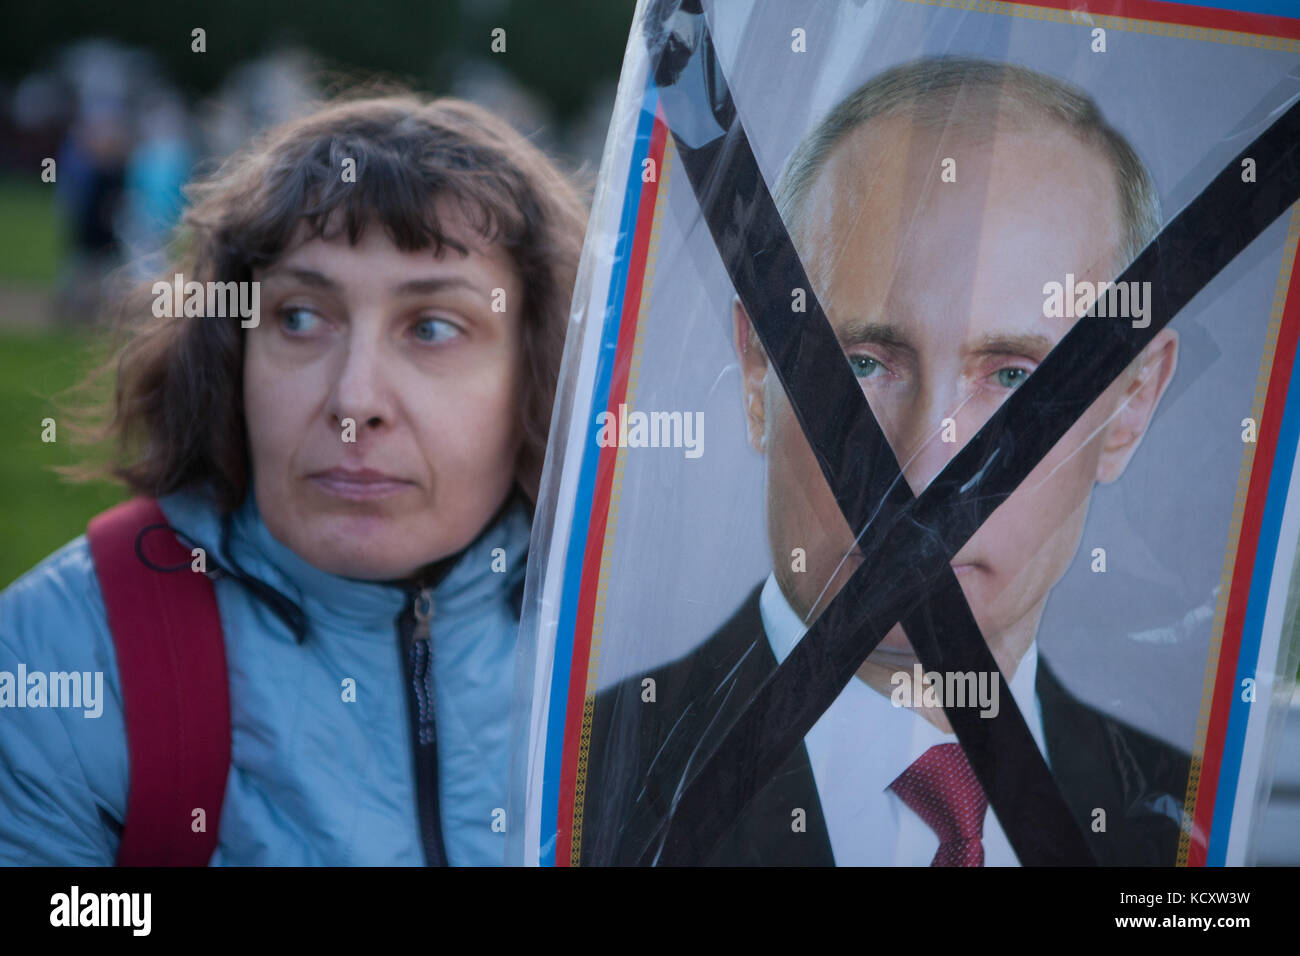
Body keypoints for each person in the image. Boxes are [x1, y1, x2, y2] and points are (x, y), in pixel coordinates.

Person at [581, 57, 1187, 866]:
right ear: (759, 371)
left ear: (1131, 406)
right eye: (861, 363)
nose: (926, 463)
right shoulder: (572, 796)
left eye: (1014, 378)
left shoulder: (1194, 828)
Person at [0, 92, 586, 865]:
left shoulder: (640, 647)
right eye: (301, 319)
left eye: (434, 328)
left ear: (539, 375)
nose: (355, 400)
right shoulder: (61, 657)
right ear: (230, 357)